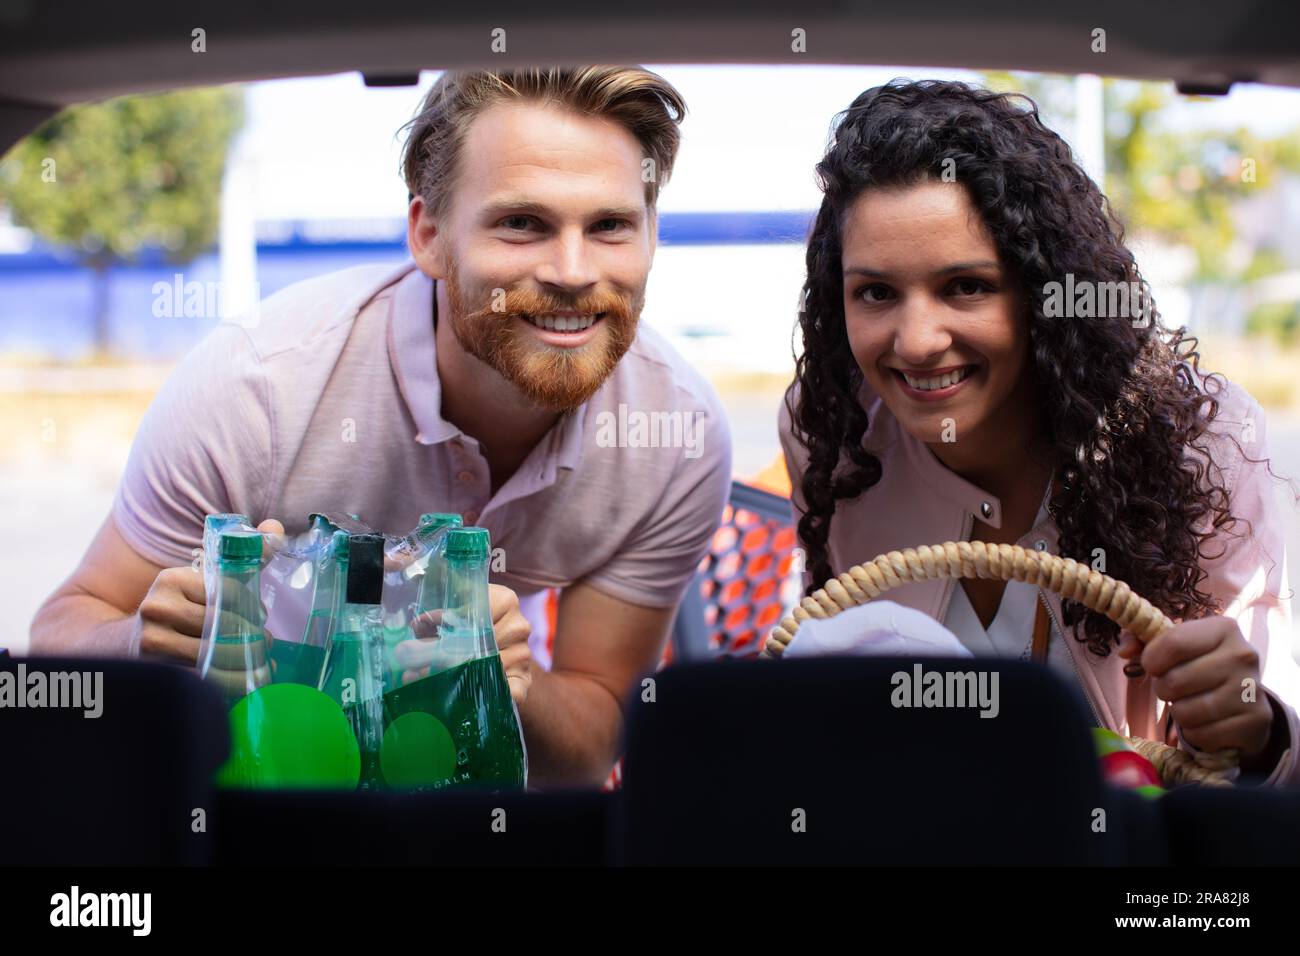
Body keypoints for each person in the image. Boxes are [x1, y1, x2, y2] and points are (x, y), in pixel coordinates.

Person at [30, 66, 733, 789]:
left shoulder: (675, 437)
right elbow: (59, 639)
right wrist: (145, 644)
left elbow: (587, 749)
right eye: (521, 223)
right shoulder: (258, 386)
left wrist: (512, 680)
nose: (573, 271)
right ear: (428, 235)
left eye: (611, 225)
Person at [779, 79, 1300, 784]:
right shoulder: (834, 434)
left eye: (966, 286)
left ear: (1042, 294)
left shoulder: (1198, 441)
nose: (918, 340)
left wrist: (1257, 727)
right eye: (876, 292)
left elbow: (1261, 767)